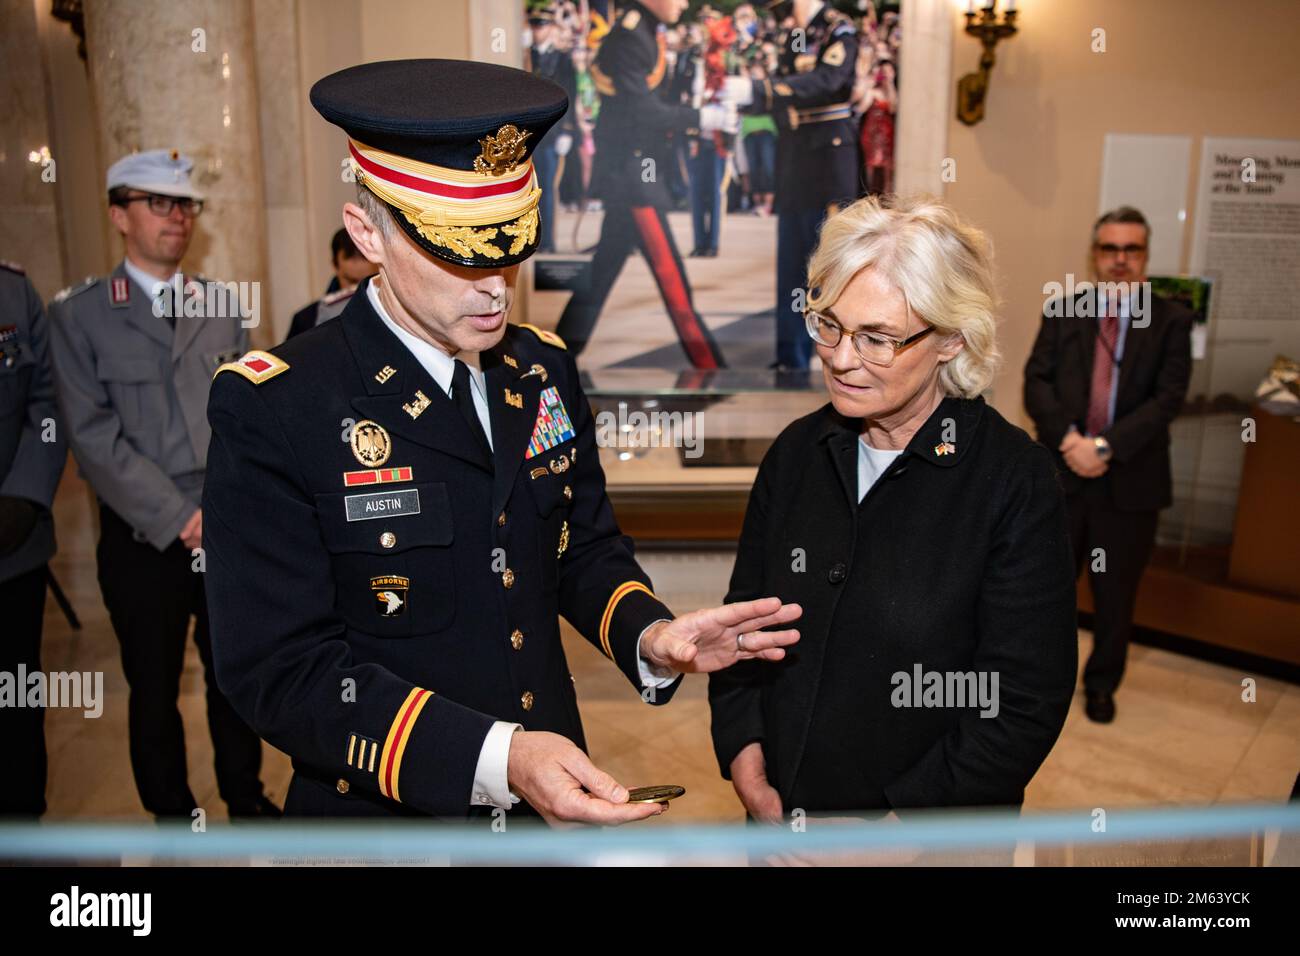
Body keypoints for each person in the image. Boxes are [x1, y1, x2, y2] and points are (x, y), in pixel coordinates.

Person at [202, 59, 800, 823]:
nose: (496, 285)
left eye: (509, 246)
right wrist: (498, 757)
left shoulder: (541, 368)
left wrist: (652, 636)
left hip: (545, 811)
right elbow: (279, 673)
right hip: (387, 824)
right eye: (458, 252)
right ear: (368, 234)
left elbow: (579, 548)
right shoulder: (280, 406)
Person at [710, 195, 1077, 827]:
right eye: (830, 325)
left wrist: (898, 832)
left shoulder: (1014, 481)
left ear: (951, 340)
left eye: (878, 338)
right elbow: (742, 626)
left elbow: (1020, 701)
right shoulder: (796, 454)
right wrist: (747, 766)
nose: (842, 358)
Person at [47, 149, 277, 820]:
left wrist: (225, 508)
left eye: (185, 205)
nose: (177, 217)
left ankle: (244, 792)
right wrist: (181, 515)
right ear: (120, 215)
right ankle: (172, 810)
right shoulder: (81, 314)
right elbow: (91, 435)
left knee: (234, 670)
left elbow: (246, 415)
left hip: (224, 520)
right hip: (143, 528)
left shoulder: (222, 307)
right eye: (159, 203)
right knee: (151, 683)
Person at [1024, 206, 1192, 723]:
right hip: (1063, 475)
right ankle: (1033, 684)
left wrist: (1105, 448)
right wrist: (1071, 441)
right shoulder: (1063, 310)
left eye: (1131, 249)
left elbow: (1168, 399)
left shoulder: (1171, 319)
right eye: (1109, 249)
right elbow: (1036, 383)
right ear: (1095, 255)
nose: (1119, 259)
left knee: (1116, 596)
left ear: (1145, 254)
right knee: (1044, 590)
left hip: (1131, 480)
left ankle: (1101, 684)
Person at [555, 0, 735, 368]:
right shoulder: (631, 35)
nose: (684, 4)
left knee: (601, 275)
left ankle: (556, 357)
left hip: (637, 171)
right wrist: (702, 117)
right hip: (634, 176)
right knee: (673, 282)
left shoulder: (643, 31)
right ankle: (709, 366)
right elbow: (641, 111)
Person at [723, 0, 862, 370]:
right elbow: (785, 90)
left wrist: (760, 90)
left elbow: (825, 82)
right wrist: (741, 101)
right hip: (794, 157)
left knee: (828, 268)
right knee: (791, 268)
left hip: (827, 160)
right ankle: (791, 356)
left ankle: (839, 359)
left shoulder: (839, 29)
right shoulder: (795, 35)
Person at [0, 260, 67, 818]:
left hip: (10, 548)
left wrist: (22, 500)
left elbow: (45, 403)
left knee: (16, 705)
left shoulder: (15, 293)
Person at [285, 227, 378, 340]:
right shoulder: (307, 320)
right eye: (352, 283)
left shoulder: (395, 316)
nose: (359, 291)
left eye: (367, 283)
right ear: (335, 265)